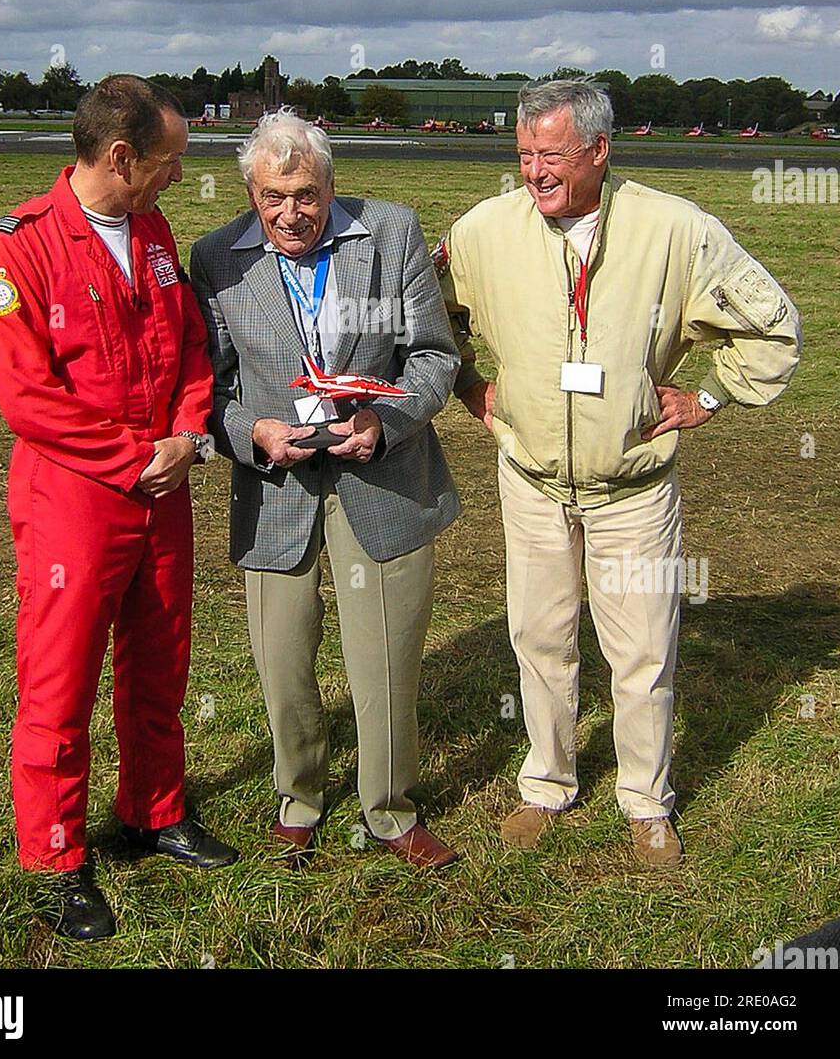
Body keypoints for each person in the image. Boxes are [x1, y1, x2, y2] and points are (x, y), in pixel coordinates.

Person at [437, 79, 800, 865]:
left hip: (631, 488)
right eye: (524, 154)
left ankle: (645, 802)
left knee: (640, 652)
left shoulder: (675, 230)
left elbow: (773, 327)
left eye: (552, 155)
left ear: (599, 151)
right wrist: (467, 385)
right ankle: (546, 785)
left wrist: (706, 396)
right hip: (529, 481)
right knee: (538, 639)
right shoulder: (481, 230)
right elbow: (431, 320)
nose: (534, 172)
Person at [0, 75, 238, 941]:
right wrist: (133, 457)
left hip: (161, 488)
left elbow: (192, 346)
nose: (178, 177)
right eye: (167, 161)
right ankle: (54, 853)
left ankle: (153, 812)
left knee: (161, 657)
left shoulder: (155, 233)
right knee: (61, 678)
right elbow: (29, 399)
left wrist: (189, 434)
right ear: (120, 157)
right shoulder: (18, 250)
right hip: (75, 498)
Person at [190, 109, 461, 868]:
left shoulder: (392, 232)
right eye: (271, 196)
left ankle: (390, 808)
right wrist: (252, 434)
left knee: (384, 657)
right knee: (283, 661)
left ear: (331, 184)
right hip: (276, 491)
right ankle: (300, 794)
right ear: (249, 191)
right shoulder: (215, 259)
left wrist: (384, 419)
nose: (289, 213)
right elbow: (205, 387)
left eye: (304, 193)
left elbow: (434, 358)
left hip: (382, 480)